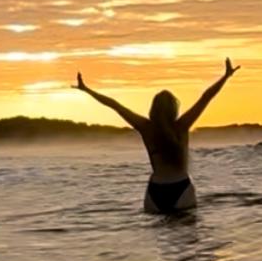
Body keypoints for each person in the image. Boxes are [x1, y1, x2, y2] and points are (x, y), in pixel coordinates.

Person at [74, 58, 240, 213]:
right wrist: (225, 77)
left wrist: (87, 90)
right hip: (181, 188)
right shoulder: (181, 126)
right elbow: (206, 97)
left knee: (159, 241)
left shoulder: (146, 128)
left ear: (153, 108)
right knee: (186, 242)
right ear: (174, 109)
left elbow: (115, 105)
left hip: (155, 190)